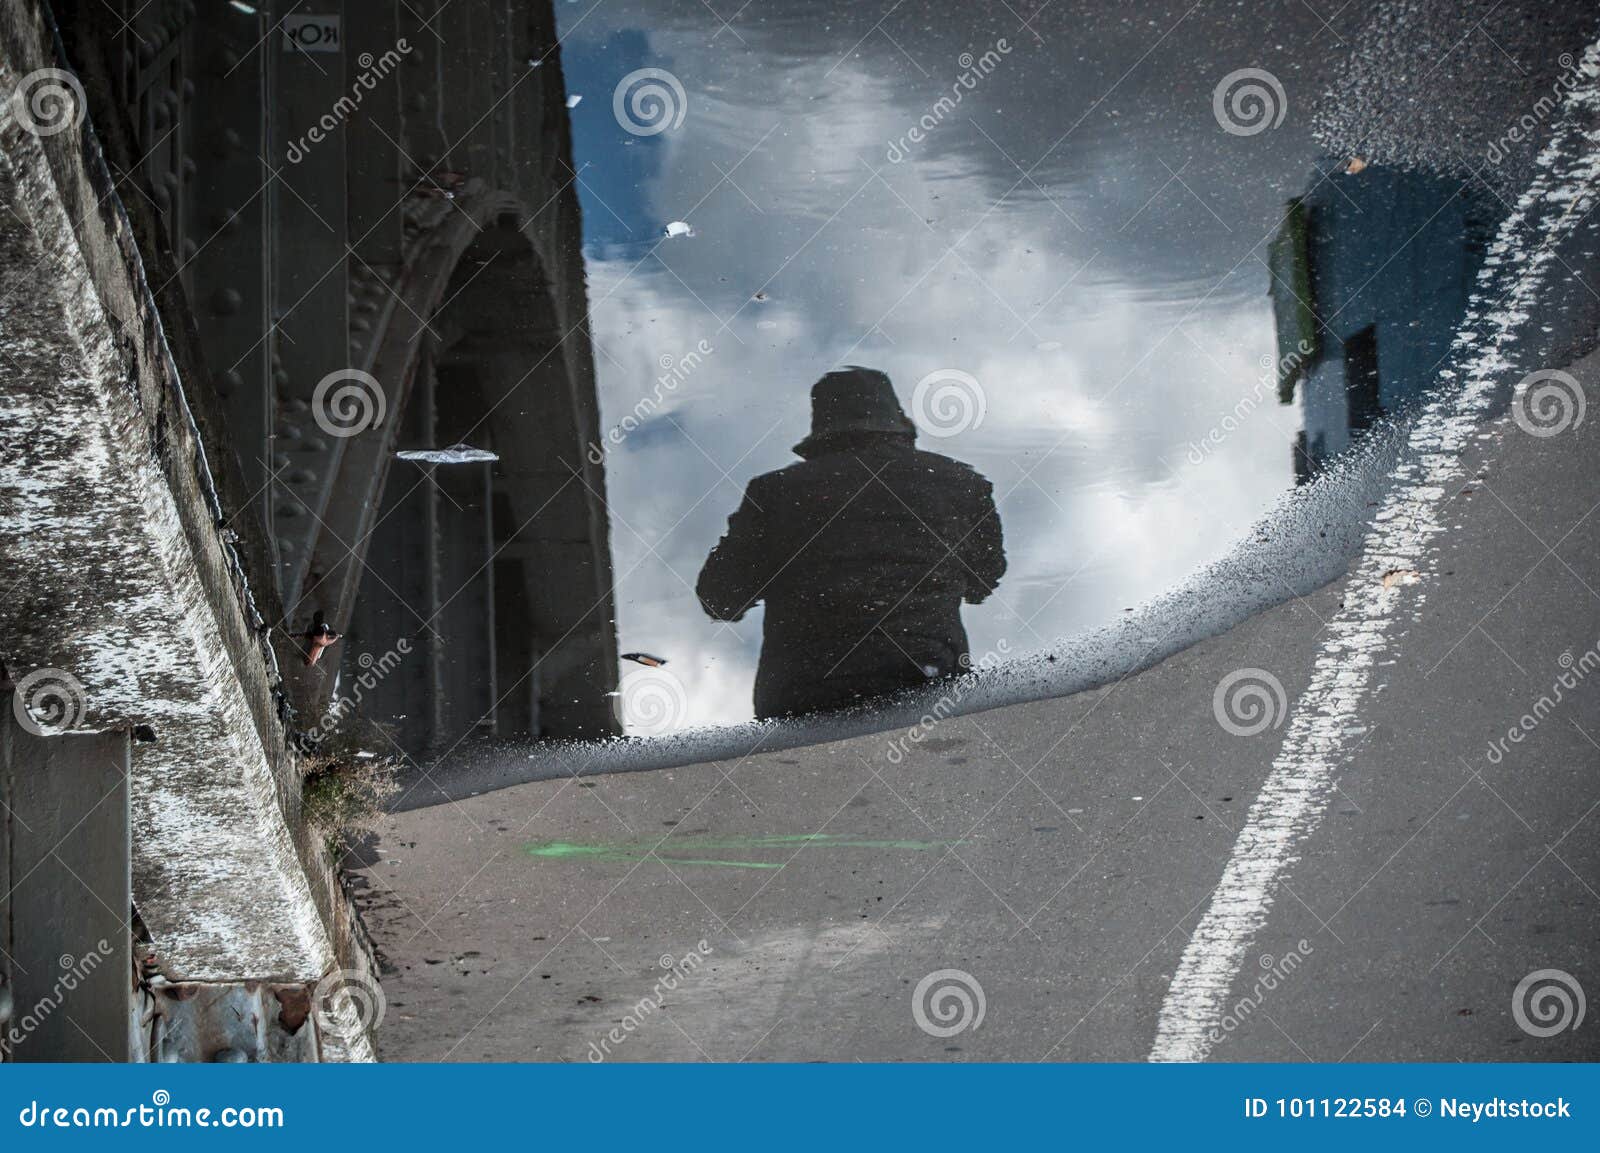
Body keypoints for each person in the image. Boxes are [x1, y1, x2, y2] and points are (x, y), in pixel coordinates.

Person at [696, 367, 1006, 719]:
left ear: (821, 430)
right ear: (898, 421)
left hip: (806, 703)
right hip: (932, 685)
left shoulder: (774, 493)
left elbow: (719, 598)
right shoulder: (962, 485)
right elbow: (983, 582)